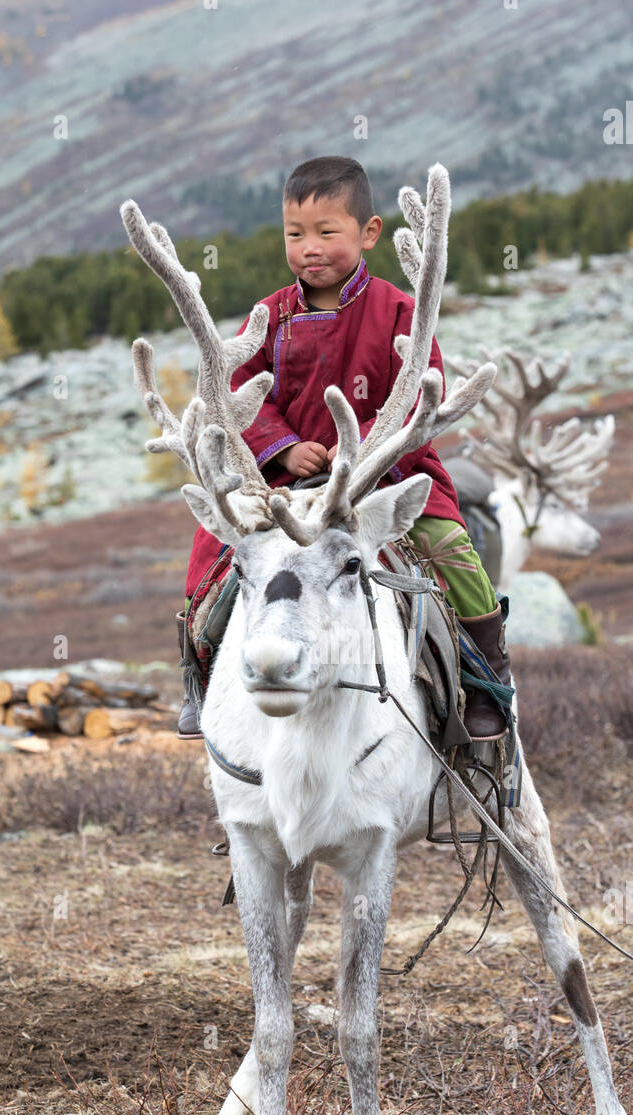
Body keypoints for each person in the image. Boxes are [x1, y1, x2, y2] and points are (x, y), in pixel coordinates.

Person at [176, 155, 510, 740]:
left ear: (369, 233)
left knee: (450, 549)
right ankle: (199, 673)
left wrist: (364, 457)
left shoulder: (399, 310)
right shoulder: (269, 318)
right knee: (212, 547)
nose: (310, 247)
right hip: (282, 490)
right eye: (295, 234)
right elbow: (235, 395)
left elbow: (417, 395)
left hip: (381, 479)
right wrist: (280, 449)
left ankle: (485, 678)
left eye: (328, 232)